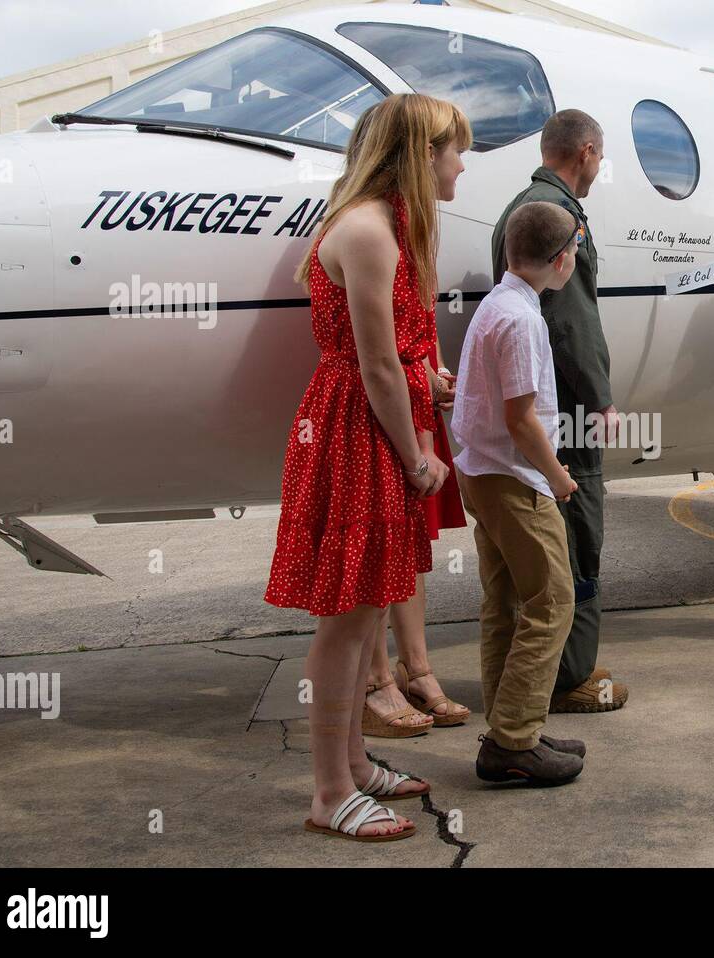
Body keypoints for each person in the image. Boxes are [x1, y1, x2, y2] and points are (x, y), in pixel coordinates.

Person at [263, 93, 472, 840]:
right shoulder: (370, 230)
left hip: (371, 419)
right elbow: (376, 365)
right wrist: (417, 454)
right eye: (453, 150)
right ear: (419, 154)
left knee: (372, 604)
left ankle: (353, 763)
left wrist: (430, 384)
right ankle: (328, 792)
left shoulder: (389, 225)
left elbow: (398, 359)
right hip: (361, 429)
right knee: (348, 620)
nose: (460, 164)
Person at [491, 109, 628, 714]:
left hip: (537, 406)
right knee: (578, 533)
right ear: (588, 152)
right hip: (566, 407)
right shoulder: (561, 219)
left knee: (525, 558)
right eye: (600, 158)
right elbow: (572, 324)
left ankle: (518, 681)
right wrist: (599, 396)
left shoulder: (521, 207)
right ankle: (570, 677)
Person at [453, 200, 587, 786]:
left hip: (481, 474)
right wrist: (558, 477)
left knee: (505, 604)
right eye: (574, 251)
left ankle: (511, 728)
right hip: (514, 479)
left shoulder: (497, 305)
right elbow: (521, 418)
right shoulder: (523, 320)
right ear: (561, 260)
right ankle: (512, 740)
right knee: (553, 603)